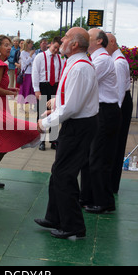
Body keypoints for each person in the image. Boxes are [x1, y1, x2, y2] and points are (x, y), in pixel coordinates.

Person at [34, 27, 99, 239]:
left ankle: (73, 226)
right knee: (59, 171)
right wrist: (53, 103)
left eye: (66, 37)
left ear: (75, 45)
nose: (61, 40)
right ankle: (55, 216)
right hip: (75, 125)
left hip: (79, 127)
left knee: (64, 174)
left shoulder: (80, 67)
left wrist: (45, 122)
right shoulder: (74, 63)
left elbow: (72, 106)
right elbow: (69, 97)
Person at [0, 35, 40, 188]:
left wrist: (9, 89)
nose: (9, 47)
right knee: (5, 140)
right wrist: (12, 93)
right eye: (5, 45)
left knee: (3, 140)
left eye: (9, 45)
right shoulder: (0, 65)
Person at [80, 28, 121, 214]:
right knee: (91, 157)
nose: (85, 39)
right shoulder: (97, 58)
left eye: (89, 37)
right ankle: (88, 196)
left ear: (99, 42)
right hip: (101, 110)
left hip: (106, 111)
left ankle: (104, 201)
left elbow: (88, 81)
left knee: (98, 158)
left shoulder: (102, 59)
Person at [106, 33, 133, 194]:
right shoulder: (116, 60)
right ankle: (110, 183)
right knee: (114, 145)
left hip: (121, 105)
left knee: (116, 145)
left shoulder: (118, 62)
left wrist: (115, 113)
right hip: (121, 104)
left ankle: (111, 184)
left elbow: (120, 92)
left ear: (113, 42)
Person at [31, 36, 64, 151]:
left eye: (58, 49)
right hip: (43, 86)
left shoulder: (61, 58)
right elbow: (35, 73)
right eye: (55, 47)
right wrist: (36, 89)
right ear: (51, 44)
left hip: (55, 87)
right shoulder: (40, 57)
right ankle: (41, 140)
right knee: (42, 113)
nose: (56, 50)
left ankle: (53, 139)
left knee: (55, 112)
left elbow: (62, 75)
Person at [17, 39, 36, 112]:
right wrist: (30, 56)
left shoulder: (34, 53)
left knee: (31, 90)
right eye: (30, 44)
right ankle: (21, 107)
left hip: (32, 73)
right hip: (25, 73)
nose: (31, 45)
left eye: (32, 44)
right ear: (26, 44)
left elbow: (34, 62)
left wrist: (30, 59)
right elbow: (26, 62)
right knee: (23, 89)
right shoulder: (23, 53)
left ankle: (30, 107)